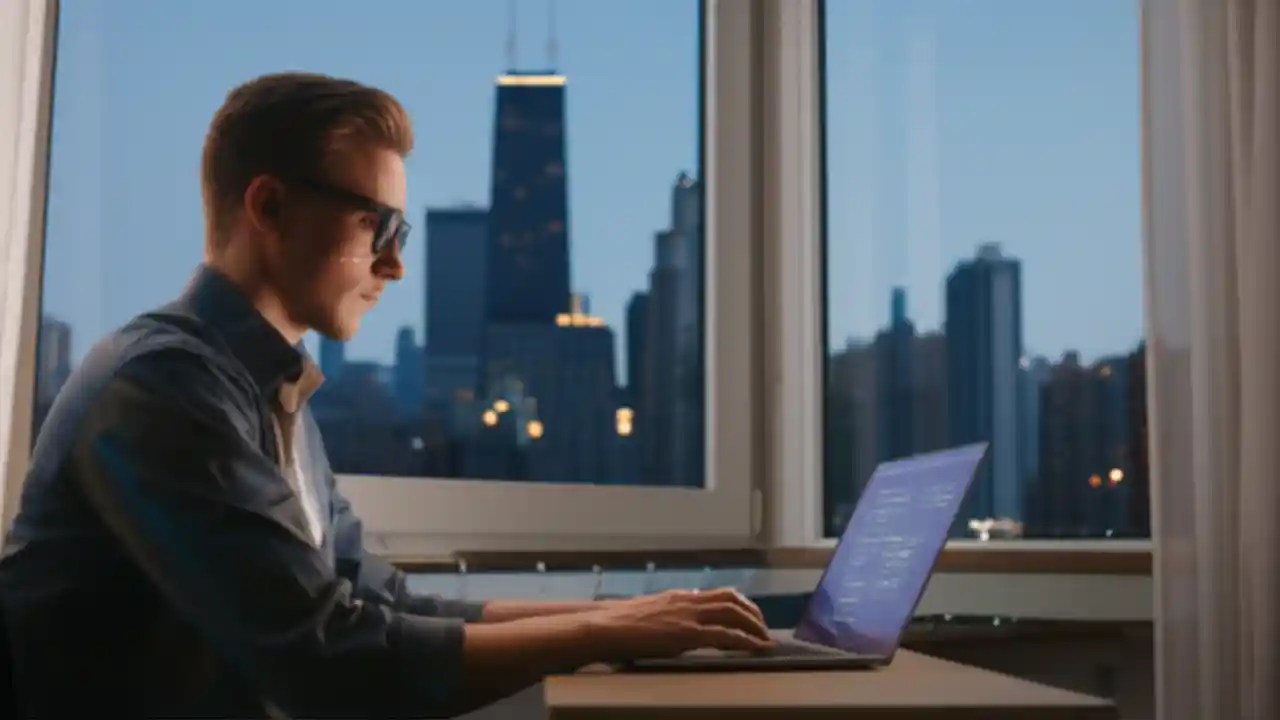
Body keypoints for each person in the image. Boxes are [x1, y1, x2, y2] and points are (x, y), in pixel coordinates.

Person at [0, 72, 772, 718]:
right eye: (379, 225)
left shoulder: (269, 392)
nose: (394, 266)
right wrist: (605, 633)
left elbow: (387, 603)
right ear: (269, 207)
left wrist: (622, 619)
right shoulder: (162, 387)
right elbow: (326, 657)